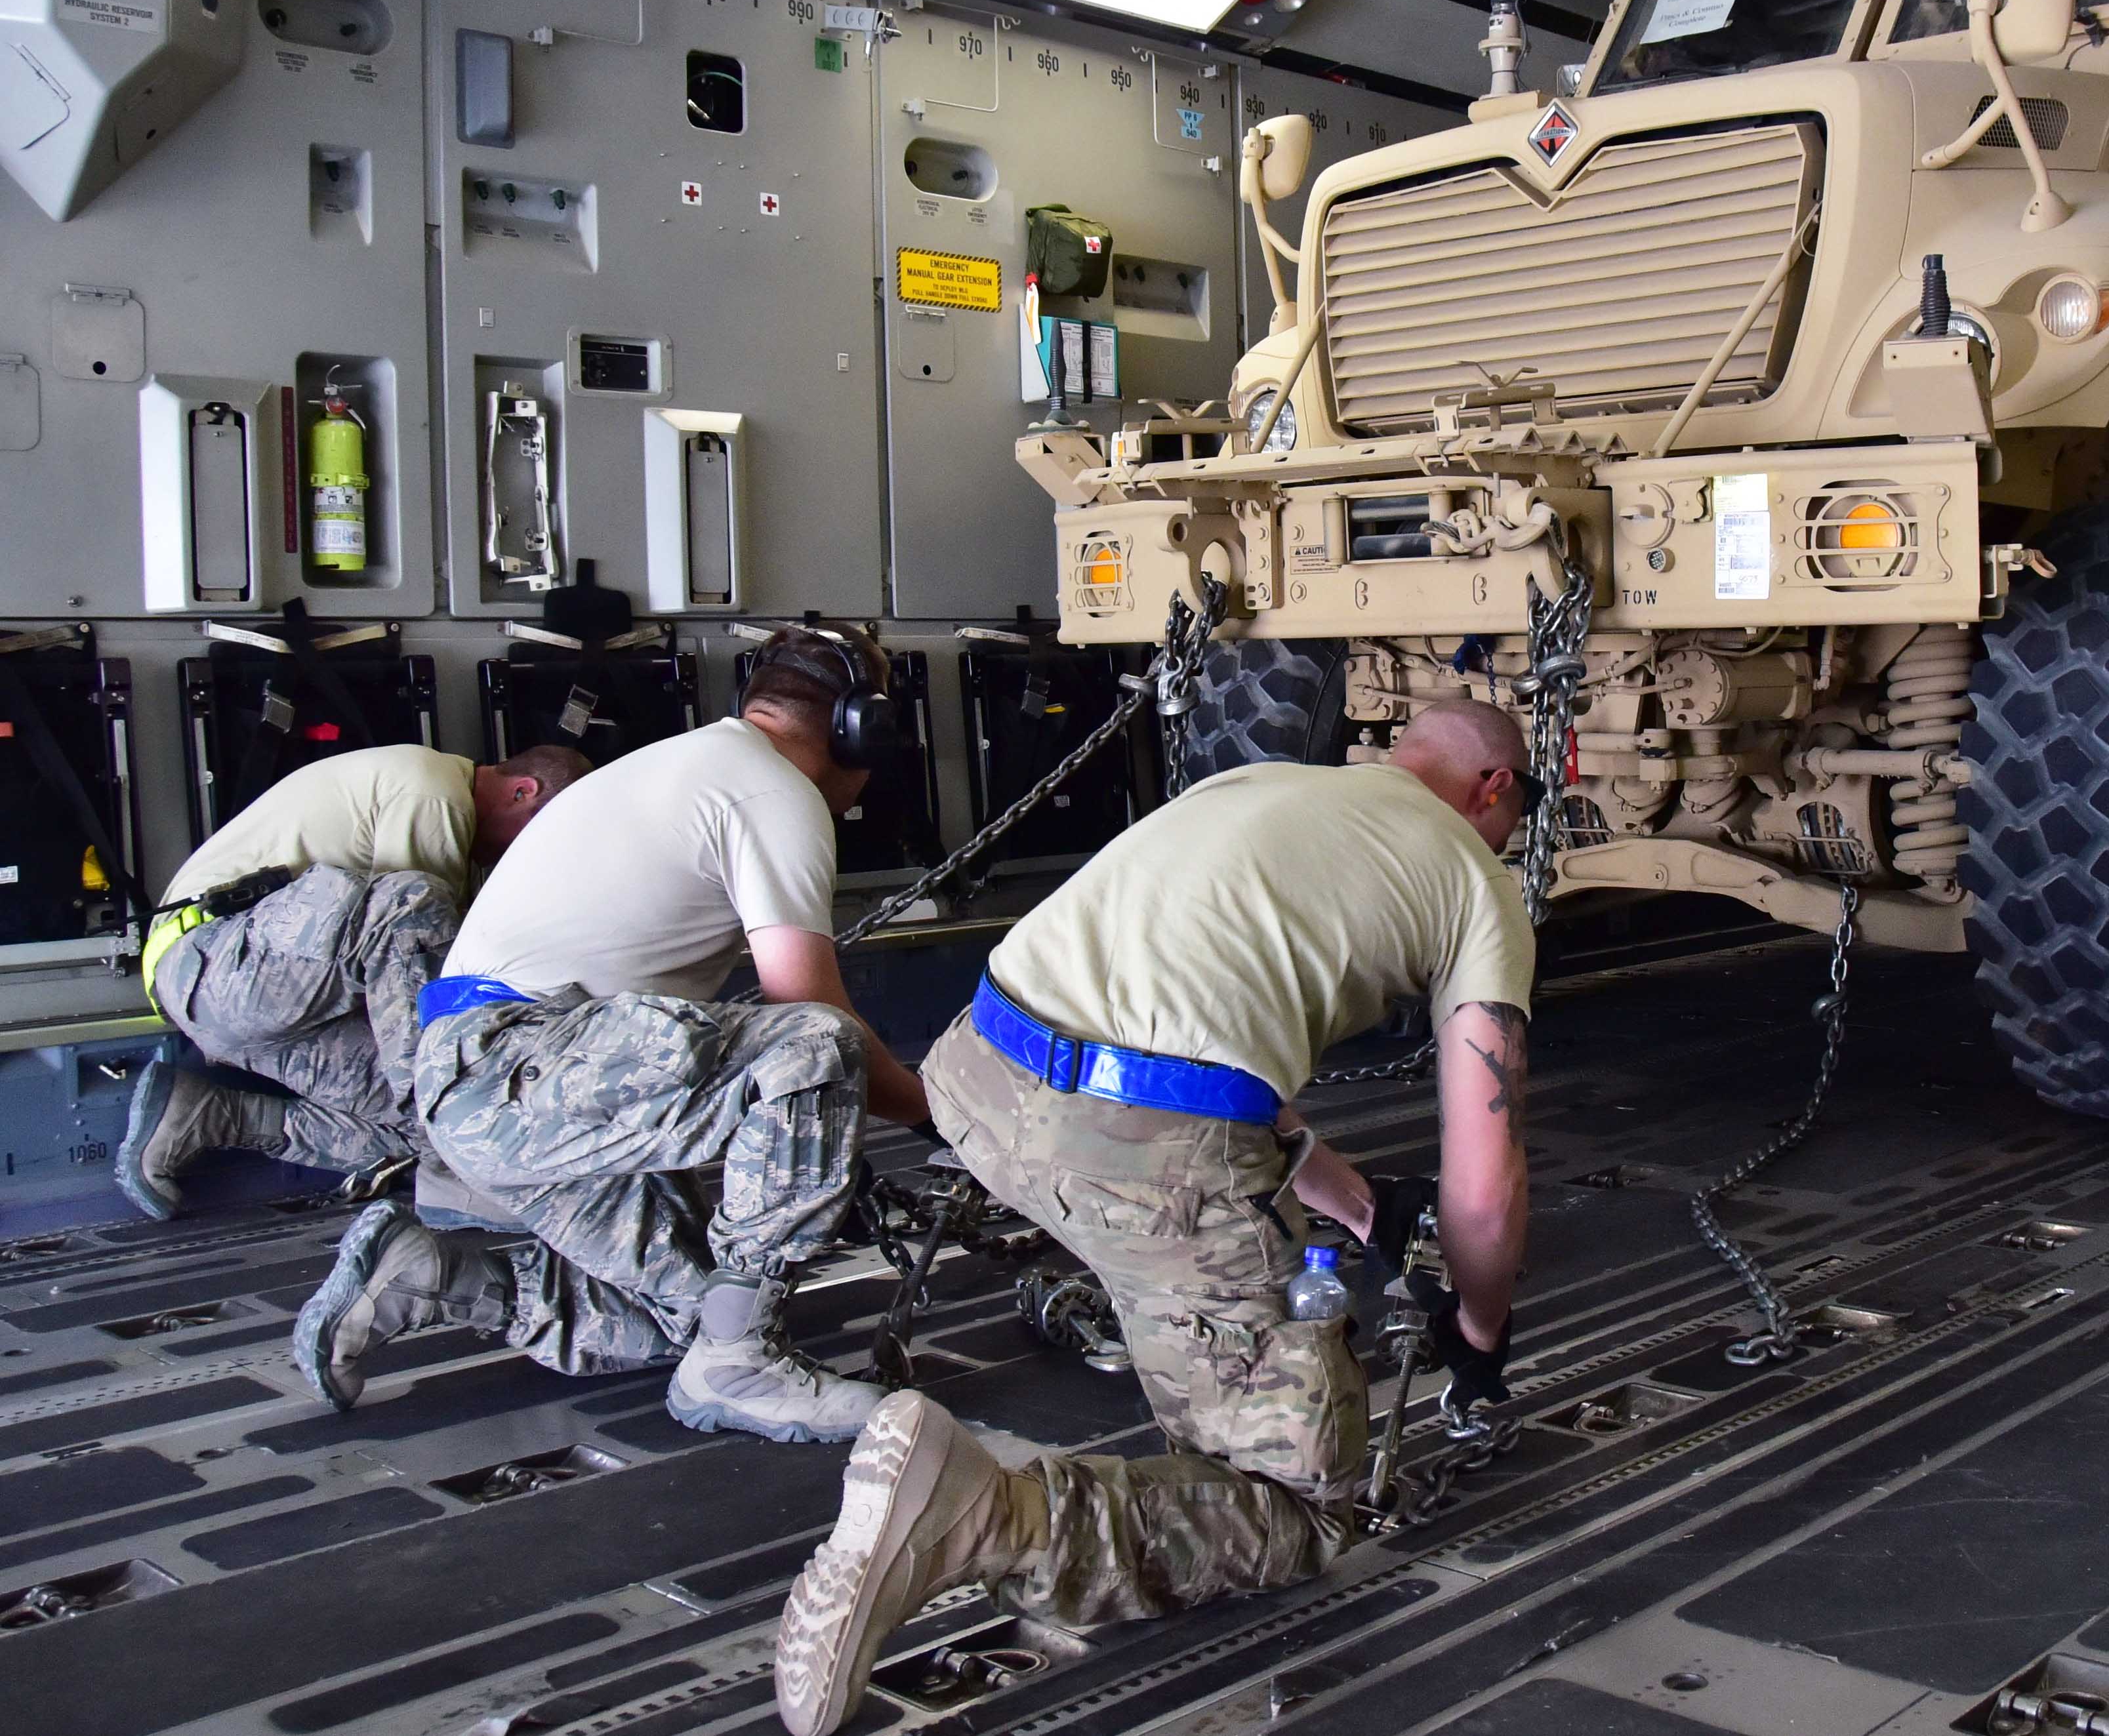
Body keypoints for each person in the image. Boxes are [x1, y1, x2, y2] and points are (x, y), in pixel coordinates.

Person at [771, 696, 1539, 1736]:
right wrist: (1479, 1334)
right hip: (1129, 1155)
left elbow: (1201, 1030)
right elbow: (1484, 1190)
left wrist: (1358, 1207)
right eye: (1515, 810)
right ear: (1493, 789)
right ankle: (981, 1516)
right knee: (1295, 1508)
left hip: (972, 1081)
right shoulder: (1476, 884)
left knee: (1176, 1196)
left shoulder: (1264, 784)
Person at [290, 626, 933, 1442]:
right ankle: (741, 1366)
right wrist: (936, 1111)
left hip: (483, 1085)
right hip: (522, 1063)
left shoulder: (688, 764)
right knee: (814, 1045)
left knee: (690, 1318)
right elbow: (809, 1009)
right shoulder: (773, 791)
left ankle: (425, 1276)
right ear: (861, 729)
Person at [117, 741, 587, 1219]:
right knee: (417, 912)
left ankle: (213, 1117)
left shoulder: (449, 826)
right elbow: (417, 941)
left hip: (264, 1001)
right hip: (217, 961)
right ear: (522, 791)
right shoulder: (435, 791)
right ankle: (449, 1149)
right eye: (534, 837)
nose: (519, 854)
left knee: (465, 1127)